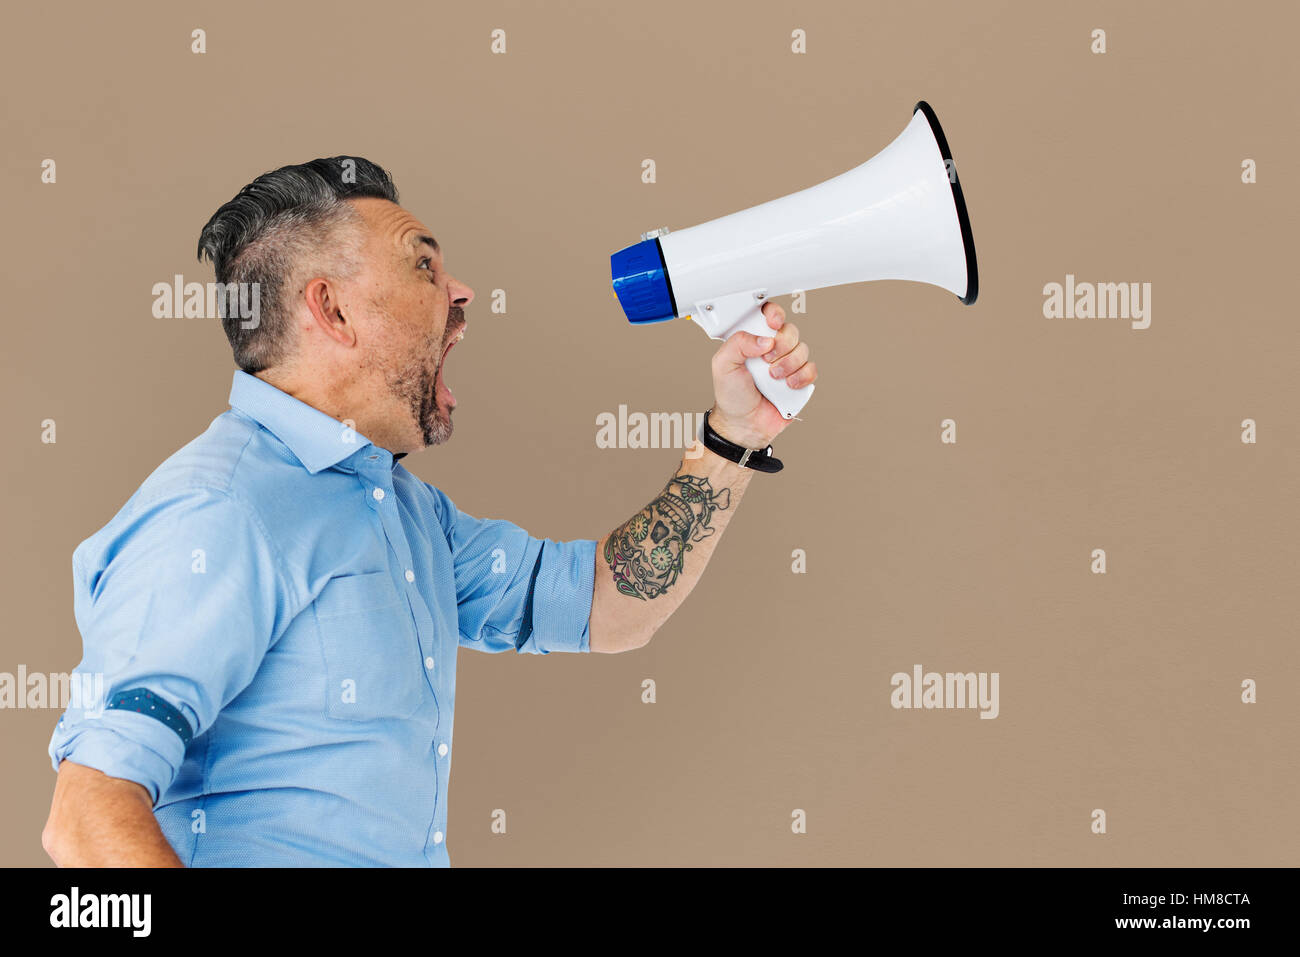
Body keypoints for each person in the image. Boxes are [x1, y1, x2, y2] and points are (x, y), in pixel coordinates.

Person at [41, 157, 817, 866]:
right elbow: (83, 817)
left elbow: (607, 607)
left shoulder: (405, 512)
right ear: (333, 310)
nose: (461, 291)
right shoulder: (216, 512)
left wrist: (734, 438)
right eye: (423, 265)